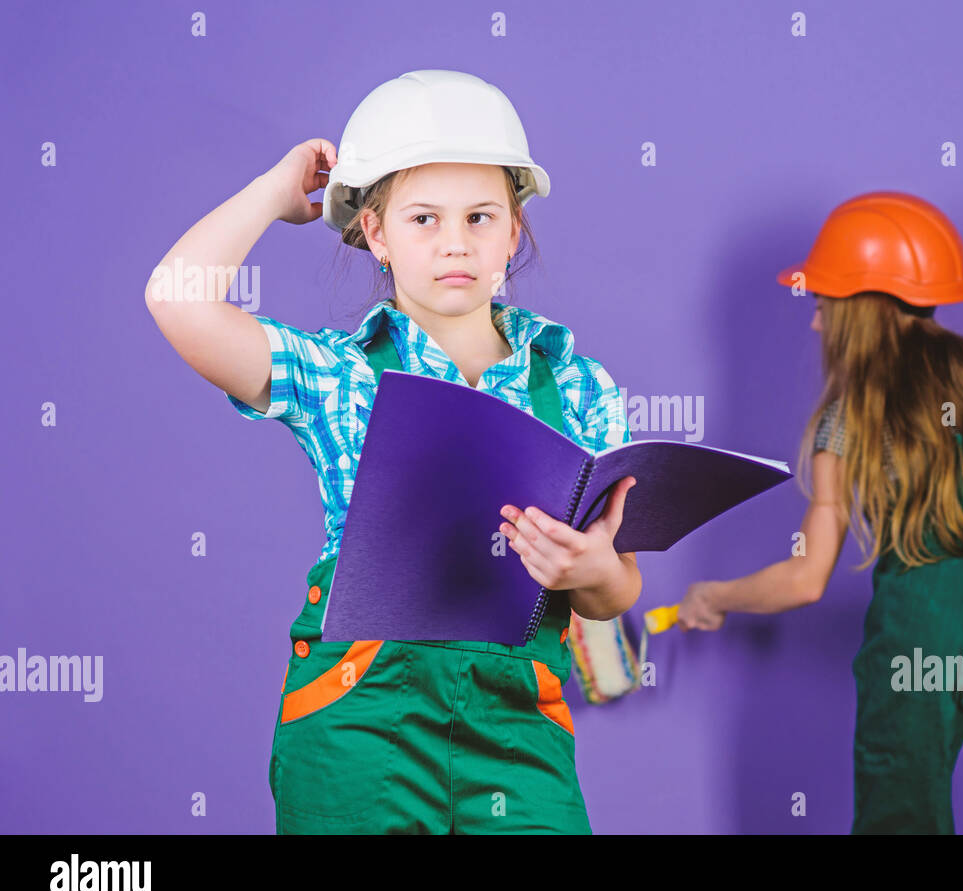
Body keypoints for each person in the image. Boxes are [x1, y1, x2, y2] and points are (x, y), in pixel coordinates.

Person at [144, 69, 641, 834]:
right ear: (374, 233)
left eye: (480, 217)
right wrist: (276, 194)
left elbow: (616, 590)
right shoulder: (338, 375)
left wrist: (593, 571)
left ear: (515, 230)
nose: (455, 243)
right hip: (359, 720)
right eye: (422, 220)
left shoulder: (578, 386)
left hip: (519, 732)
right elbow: (176, 299)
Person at [674, 191, 963, 834]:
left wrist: (717, 596)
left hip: (922, 627)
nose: (815, 324)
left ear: (862, 305)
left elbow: (806, 579)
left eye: (822, 304)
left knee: (903, 816)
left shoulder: (851, 415)